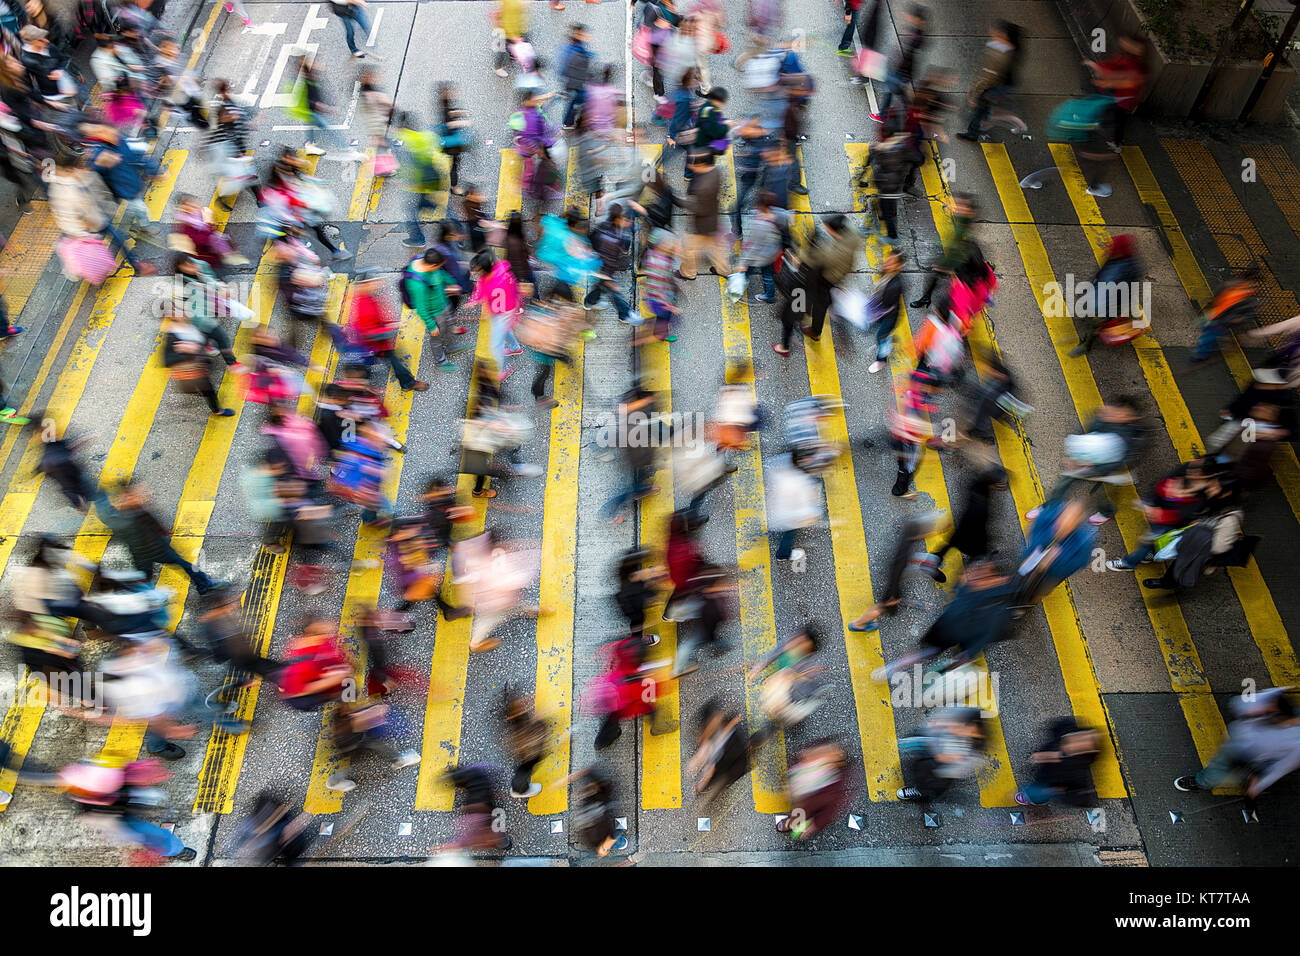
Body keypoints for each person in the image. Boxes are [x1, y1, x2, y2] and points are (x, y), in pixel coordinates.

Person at [1174, 688, 1300, 803]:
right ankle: (1202, 781)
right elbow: (1237, 703)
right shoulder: (1271, 697)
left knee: (1237, 775)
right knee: (1218, 768)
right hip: (1237, 744)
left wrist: (1258, 786)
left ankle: (1242, 781)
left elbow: (1282, 767)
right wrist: (1254, 711)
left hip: (1255, 761)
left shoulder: (1296, 742)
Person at [348, 269, 428, 390]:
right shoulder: (364, 306)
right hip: (377, 344)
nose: (376, 284)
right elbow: (368, 333)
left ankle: (362, 382)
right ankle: (407, 383)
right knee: (395, 362)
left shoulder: (368, 297)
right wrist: (391, 328)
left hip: (378, 343)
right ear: (364, 285)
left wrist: (391, 324)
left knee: (381, 362)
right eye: (372, 282)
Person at [1068, 233, 1142, 356]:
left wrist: (1113, 307)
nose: (1113, 253)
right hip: (1099, 290)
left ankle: (1086, 345)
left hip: (1111, 301)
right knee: (1087, 307)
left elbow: (1126, 292)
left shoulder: (1132, 270)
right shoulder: (1113, 257)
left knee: (1096, 322)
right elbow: (1101, 273)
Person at [896, 706, 987, 802]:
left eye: (971, 731)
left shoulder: (973, 751)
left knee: (929, 778)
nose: (961, 729)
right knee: (920, 747)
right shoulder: (963, 715)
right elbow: (939, 721)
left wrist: (944, 760)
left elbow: (952, 771)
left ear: (978, 734)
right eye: (963, 725)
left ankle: (920, 791)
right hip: (935, 745)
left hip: (941, 767)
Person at [956, 20, 1021, 143]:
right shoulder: (1009, 50)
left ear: (1004, 35)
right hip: (998, 87)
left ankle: (972, 133)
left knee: (980, 110)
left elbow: (987, 77)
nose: (992, 31)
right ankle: (985, 120)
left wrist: (975, 93)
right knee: (984, 109)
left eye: (996, 30)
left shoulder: (998, 54)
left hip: (990, 88)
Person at [1014, 718, 1101, 807]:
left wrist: (1054, 790)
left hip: (1050, 782)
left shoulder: (1076, 773)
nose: (1074, 742)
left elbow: (1074, 791)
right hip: (1049, 770)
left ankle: (1031, 798)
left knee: (1037, 792)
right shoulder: (1065, 731)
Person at [404, 247, 460, 371]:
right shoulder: (417, 284)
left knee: (450, 326)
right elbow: (421, 308)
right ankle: (441, 362)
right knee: (437, 339)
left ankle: (451, 347)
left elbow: (440, 273)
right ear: (432, 265)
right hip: (435, 314)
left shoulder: (427, 261)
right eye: (439, 266)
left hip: (443, 303)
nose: (440, 268)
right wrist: (431, 325)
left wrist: (451, 283)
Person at [677, 151, 728, 280]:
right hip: (714, 218)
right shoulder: (715, 171)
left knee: (688, 249)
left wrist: (679, 201)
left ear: (701, 164)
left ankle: (688, 273)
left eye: (691, 164)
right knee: (715, 246)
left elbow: (699, 208)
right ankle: (723, 270)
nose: (689, 166)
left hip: (702, 224)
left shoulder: (703, 187)